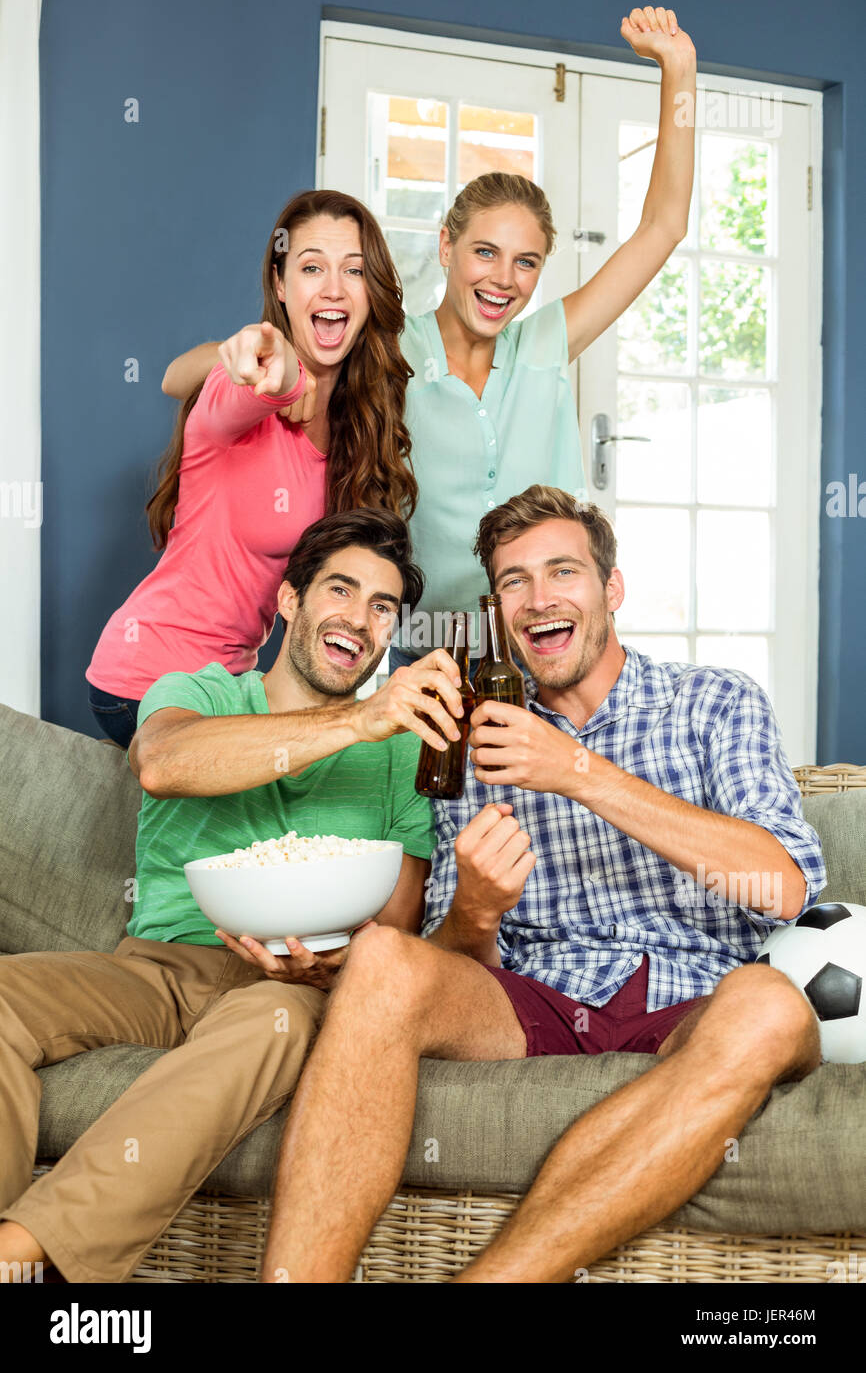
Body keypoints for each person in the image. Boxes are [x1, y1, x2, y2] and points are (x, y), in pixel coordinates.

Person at [253, 485, 827, 1284]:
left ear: (611, 589)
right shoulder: (470, 738)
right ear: (498, 608)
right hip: (539, 1000)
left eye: (564, 571)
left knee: (771, 1009)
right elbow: (453, 957)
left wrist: (581, 773)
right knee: (382, 959)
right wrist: (478, 911)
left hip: (693, 1000)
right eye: (514, 581)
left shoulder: (713, 702)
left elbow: (784, 886)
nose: (539, 597)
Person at [0, 508, 469, 1284]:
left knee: (280, 1022)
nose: (359, 617)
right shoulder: (200, 692)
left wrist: (330, 968)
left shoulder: (400, 757)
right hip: (155, 968)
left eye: (383, 607)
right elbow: (163, 763)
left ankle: (27, 1255)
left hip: (287, 986)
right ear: (290, 601)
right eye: (341, 590)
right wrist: (354, 722)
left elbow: (396, 925)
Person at [163, 5, 697, 678]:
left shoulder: (547, 342)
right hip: (429, 652)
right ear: (446, 247)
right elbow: (178, 377)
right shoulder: (388, 349)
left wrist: (679, 71)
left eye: (526, 262)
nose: (503, 279)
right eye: (484, 252)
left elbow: (663, 227)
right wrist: (261, 359)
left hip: (546, 643)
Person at [85, 189, 418, 746]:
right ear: (282, 286)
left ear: (371, 290)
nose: (333, 287)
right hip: (145, 684)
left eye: (354, 270)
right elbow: (250, 370)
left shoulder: (355, 431)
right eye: (312, 267)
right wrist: (281, 372)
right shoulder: (236, 399)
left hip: (230, 685)